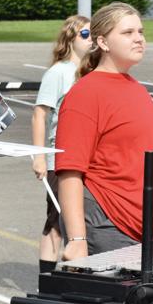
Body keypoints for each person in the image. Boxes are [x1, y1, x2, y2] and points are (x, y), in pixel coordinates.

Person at [55, 2, 153, 304]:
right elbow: (69, 172)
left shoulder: (136, 87)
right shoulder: (86, 93)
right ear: (103, 41)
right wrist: (76, 242)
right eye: (128, 32)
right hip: (108, 224)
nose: (139, 38)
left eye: (140, 31)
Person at [32, 15, 92, 274]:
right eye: (85, 35)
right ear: (70, 39)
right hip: (61, 158)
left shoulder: (90, 73)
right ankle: (46, 281)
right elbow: (39, 114)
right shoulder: (58, 72)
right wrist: (39, 156)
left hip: (85, 157)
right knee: (56, 220)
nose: (91, 40)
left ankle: (75, 277)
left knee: (81, 220)